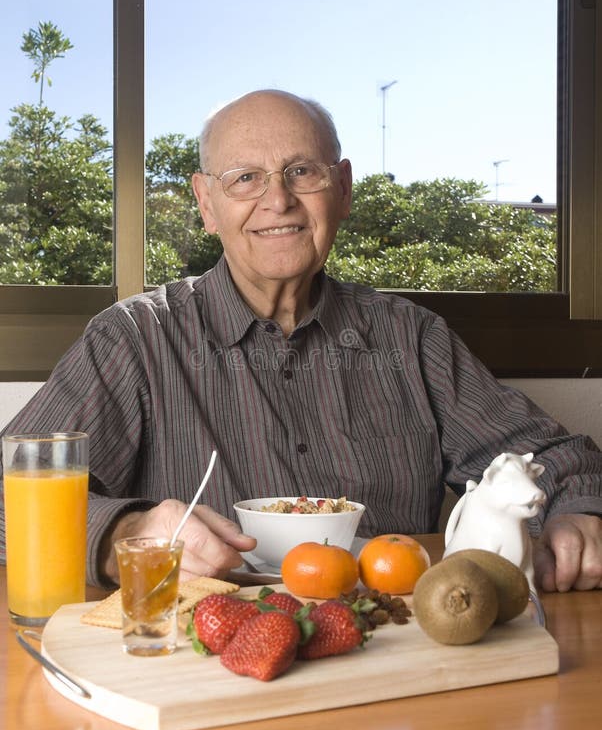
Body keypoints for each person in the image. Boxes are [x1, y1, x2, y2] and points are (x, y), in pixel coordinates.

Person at [1, 90, 601, 592]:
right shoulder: (134, 339)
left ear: (342, 189)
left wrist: (578, 516)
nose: (278, 200)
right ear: (206, 205)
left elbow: (560, 458)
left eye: (302, 171)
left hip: (398, 652)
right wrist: (124, 535)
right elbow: (7, 497)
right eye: (245, 179)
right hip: (210, 659)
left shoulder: (410, 337)